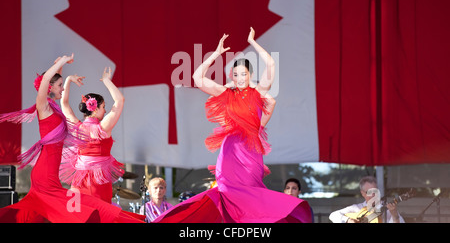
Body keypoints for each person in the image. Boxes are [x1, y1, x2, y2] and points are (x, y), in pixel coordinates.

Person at [153, 28, 312, 223]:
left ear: (250, 75)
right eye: (236, 75)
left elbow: (270, 63)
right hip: (230, 151)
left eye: (243, 74)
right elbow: (197, 78)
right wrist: (216, 54)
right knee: (226, 193)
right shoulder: (227, 94)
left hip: (251, 153)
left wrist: (253, 42)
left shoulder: (259, 92)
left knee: (251, 194)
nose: (240, 78)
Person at [0, 54, 144, 223]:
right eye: (59, 86)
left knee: (38, 215)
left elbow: (59, 94)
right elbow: (48, 80)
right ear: (49, 87)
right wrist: (62, 62)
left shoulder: (54, 109)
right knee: (92, 211)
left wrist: (65, 77)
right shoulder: (43, 106)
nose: (61, 89)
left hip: (53, 175)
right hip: (46, 176)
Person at [59, 67, 125, 203]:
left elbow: (64, 103)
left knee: (76, 217)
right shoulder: (103, 128)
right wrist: (107, 81)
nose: (106, 110)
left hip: (78, 182)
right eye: (103, 107)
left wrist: (68, 80)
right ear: (95, 109)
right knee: (101, 216)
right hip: (98, 183)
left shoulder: (77, 127)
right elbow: (120, 100)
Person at [329, 176, 405, 223]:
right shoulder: (357, 208)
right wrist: (348, 220)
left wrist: (394, 215)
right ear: (362, 193)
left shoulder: (388, 208)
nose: (373, 195)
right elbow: (333, 215)